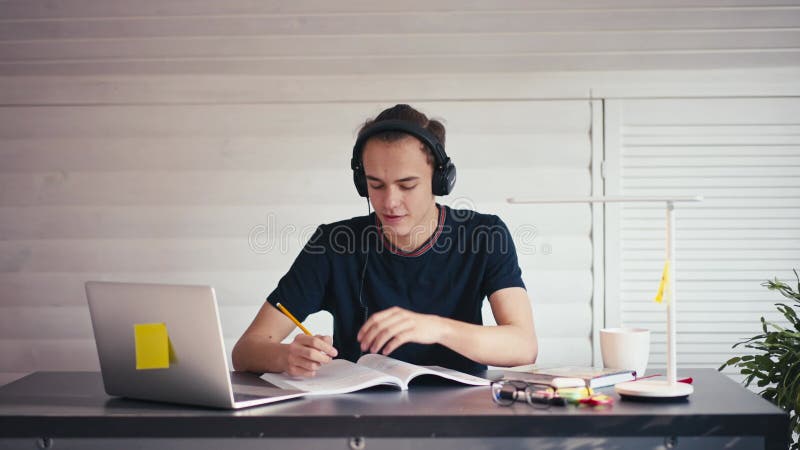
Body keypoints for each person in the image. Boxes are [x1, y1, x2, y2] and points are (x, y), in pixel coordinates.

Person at [232, 104, 537, 377]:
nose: (390, 202)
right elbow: (246, 350)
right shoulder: (332, 243)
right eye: (375, 185)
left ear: (440, 179)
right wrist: (287, 356)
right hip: (361, 423)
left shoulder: (485, 234)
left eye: (407, 185)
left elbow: (523, 346)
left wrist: (435, 328)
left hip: (461, 420)